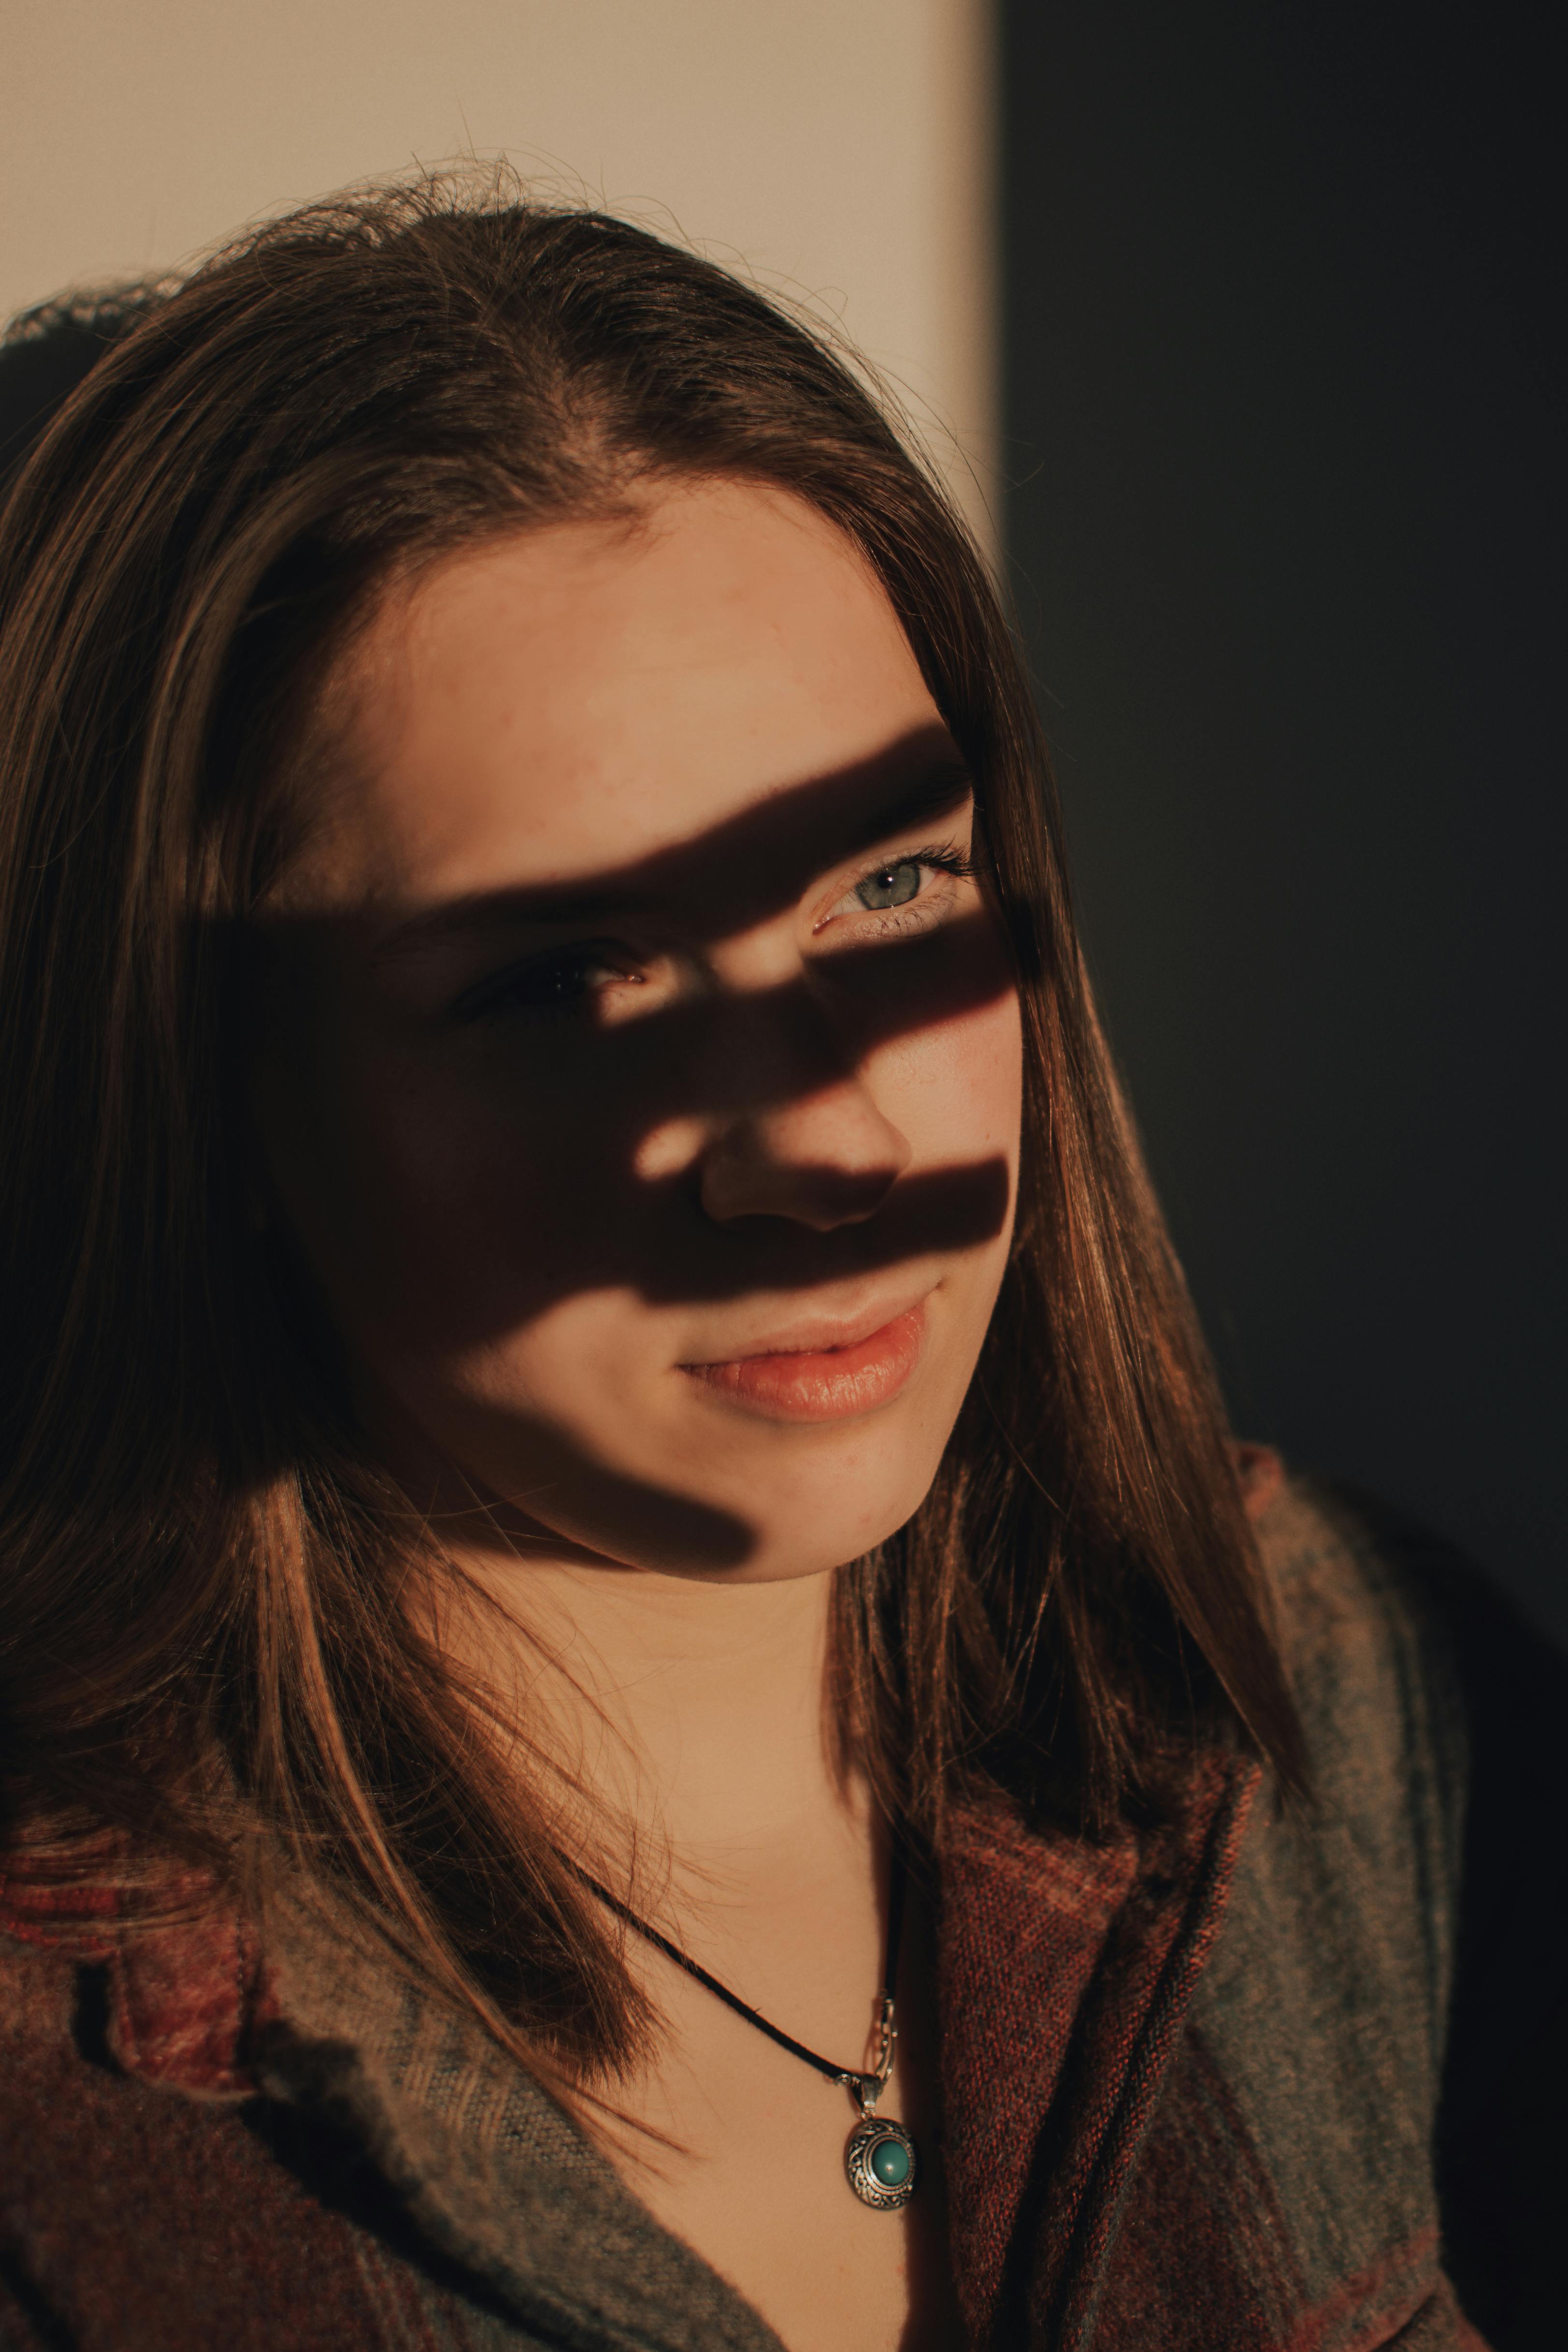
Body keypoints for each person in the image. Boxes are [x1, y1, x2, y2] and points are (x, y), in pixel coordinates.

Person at [0, 175, 1560, 2352]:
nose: (825, 1141)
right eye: (556, 987)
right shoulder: (64, 2114)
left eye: (894, 887)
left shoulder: (1363, 1716)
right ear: (208, 1093)